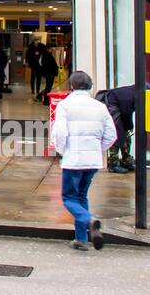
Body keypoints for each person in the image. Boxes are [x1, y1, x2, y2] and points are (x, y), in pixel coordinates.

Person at [51, 70, 118, 251]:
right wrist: (98, 149)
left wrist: (62, 150)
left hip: (73, 159)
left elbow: (60, 133)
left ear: (71, 86)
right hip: (93, 160)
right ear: (90, 85)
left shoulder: (65, 105)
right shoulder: (100, 107)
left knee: (68, 198)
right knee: (81, 196)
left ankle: (89, 220)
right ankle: (81, 239)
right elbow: (111, 135)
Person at [99, 82, 138, 173]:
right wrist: (130, 126)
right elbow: (126, 113)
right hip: (111, 106)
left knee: (124, 133)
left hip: (116, 106)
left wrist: (128, 126)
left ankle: (126, 159)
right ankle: (113, 163)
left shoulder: (133, 93)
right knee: (116, 133)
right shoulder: (130, 96)